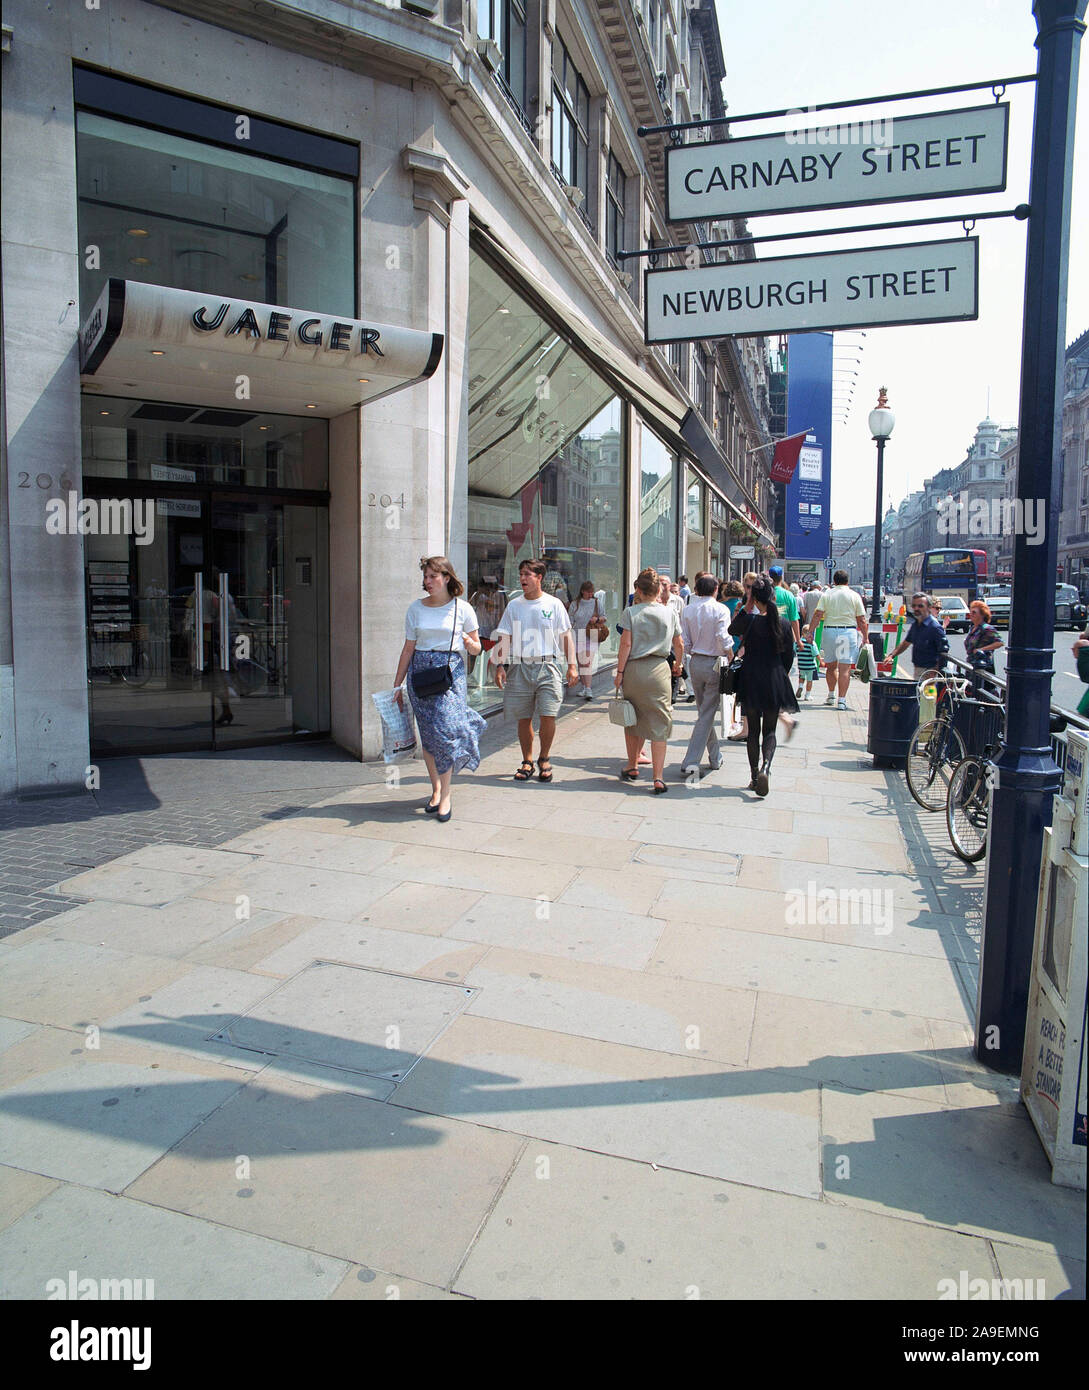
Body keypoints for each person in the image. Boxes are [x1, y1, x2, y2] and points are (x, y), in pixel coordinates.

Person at [393, 556, 485, 822]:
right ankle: (436, 788)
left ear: (447, 578)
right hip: (420, 673)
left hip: (449, 674)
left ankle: (445, 794)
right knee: (429, 735)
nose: (428, 581)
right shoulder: (415, 609)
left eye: (433, 576)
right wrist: (396, 684)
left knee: (445, 731)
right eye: (426, 577)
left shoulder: (463, 608)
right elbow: (408, 648)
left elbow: (478, 647)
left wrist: (470, 645)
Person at [489, 559, 579, 782]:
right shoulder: (514, 606)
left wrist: (573, 665)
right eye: (521, 574)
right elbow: (505, 637)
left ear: (539, 578)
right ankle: (527, 760)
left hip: (548, 666)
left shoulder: (553, 604)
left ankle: (544, 757)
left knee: (549, 714)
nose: (522, 579)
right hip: (519, 666)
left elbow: (566, 636)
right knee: (524, 718)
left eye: (527, 574)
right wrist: (500, 664)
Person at [615, 567, 685, 793]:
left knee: (631, 717)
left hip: (635, 669)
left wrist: (619, 672)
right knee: (660, 722)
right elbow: (679, 644)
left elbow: (625, 645)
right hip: (659, 668)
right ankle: (658, 777)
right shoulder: (670, 613)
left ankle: (632, 764)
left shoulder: (631, 612)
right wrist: (678, 664)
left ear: (639, 589)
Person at [734, 573, 797, 797]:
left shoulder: (750, 620)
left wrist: (746, 606)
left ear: (755, 599)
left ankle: (753, 777)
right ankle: (766, 768)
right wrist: (782, 674)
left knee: (753, 732)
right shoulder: (783, 622)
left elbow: (733, 629)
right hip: (773, 677)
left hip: (751, 677)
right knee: (770, 730)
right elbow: (789, 655)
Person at [680, 574, 733, 777]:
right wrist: (730, 654)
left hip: (696, 661)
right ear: (716, 589)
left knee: (704, 712)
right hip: (714, 662)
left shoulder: (688, 609)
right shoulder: (721, 609)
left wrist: (693, 650)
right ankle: (691, 759)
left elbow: (685, 639)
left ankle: (715, 756)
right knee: (706, 714)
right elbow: (723, 636)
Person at [805, 569, 867, 710]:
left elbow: (818, 614)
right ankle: (842, 700)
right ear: (847, 581)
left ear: (834, 581)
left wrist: (810, 632)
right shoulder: (854, 595)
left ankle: (831, 694)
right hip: (847, 631)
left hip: (830, 631)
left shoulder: (827, 594)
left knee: (831, 666)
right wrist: (866, 637)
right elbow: (861, 619)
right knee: (844, 669)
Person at [727, 572, 759, 741]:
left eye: (751, 586)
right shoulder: (742, 605)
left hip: (758, 653)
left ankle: (784, 719)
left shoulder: (763, 606)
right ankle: (746, 728)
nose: (748, 590)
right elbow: (734, 628)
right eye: (746, 586)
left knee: (757, 691)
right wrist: (741, 610)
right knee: (745, 691)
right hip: (745, 653)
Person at [887, 593, 950, 677]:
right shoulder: (916, 625)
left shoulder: (934, 627)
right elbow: (906, 642)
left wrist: (934, 671)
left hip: (930, 673)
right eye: (914, 606)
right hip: (919, 670)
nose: (916, 608)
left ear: (928, 607)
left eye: (920, 606)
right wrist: (892, 655)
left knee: (928, 690)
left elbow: (943, 651)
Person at [568, 579, 606, 700]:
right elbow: (570, 620)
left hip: (592, 635)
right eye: (588, 592)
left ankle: (588, 689)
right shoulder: (575, 604)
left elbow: (604, 617)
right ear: (583, 591)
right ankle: (584, 688)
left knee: (587, 662)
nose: (591, 594)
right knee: (581, 663)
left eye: (592, 592)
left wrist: (598, 619)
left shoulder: (596, 603)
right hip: (578, 635)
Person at [768, 564, 802, 683]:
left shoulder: (767, 592)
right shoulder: (789, 595)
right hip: (786, 635)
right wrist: (798, 640)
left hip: (768, 632)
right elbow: (794, 620)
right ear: (781, 577)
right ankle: (782, 690)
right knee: (785, 666)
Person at [963, 600, 1003, 676]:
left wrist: (982, 649)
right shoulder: (973, 628)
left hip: (984, 666)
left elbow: (1000, 642)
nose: (971, 614)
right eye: (970, 612)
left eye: (974, 612)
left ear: (982, 614)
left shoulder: (987, 628)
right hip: (972, 664)